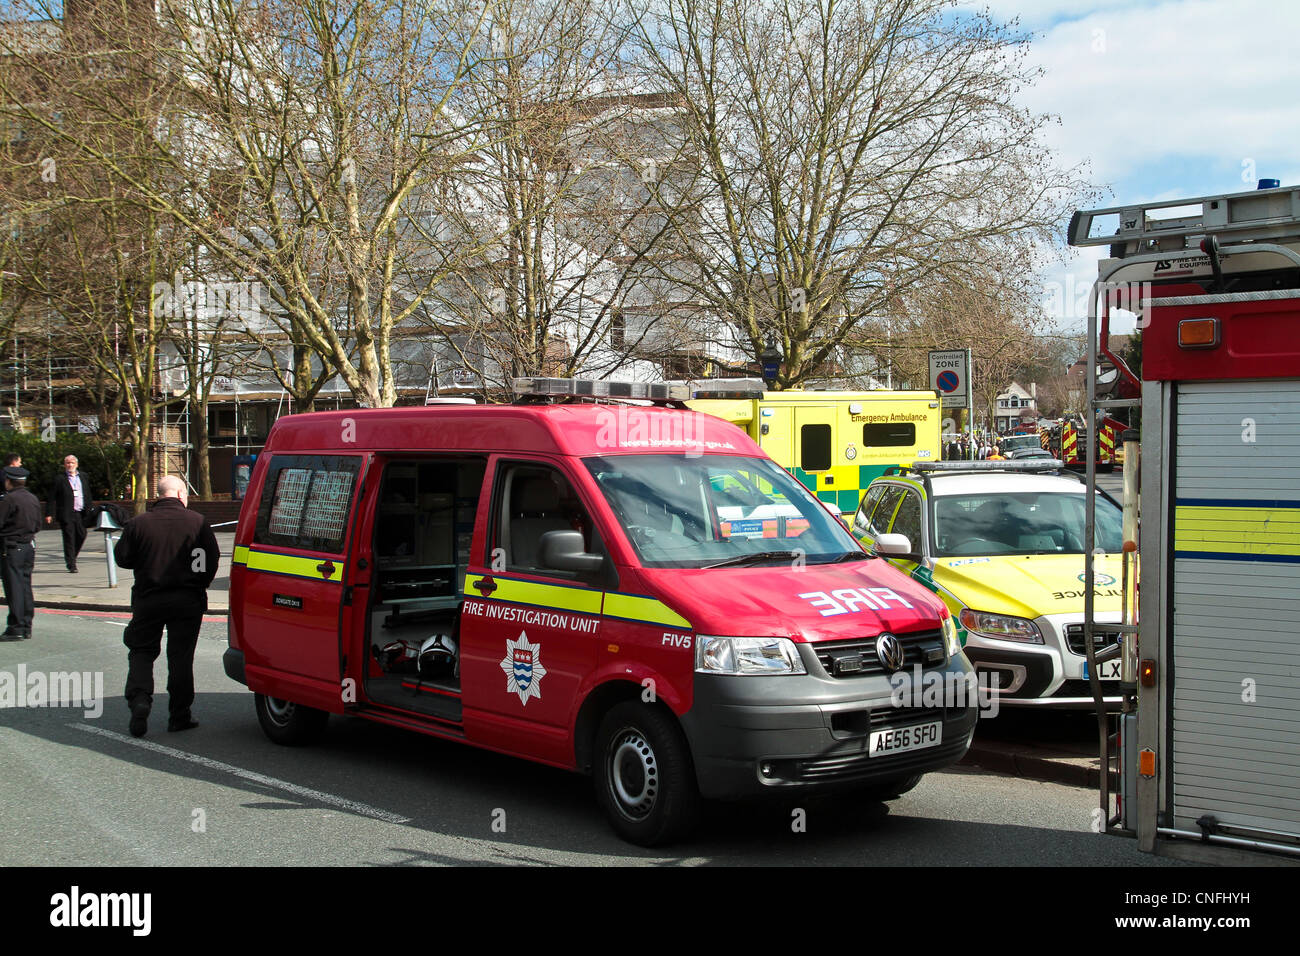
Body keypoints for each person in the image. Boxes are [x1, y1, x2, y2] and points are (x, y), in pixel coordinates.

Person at [114, 475, 220, 737]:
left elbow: (123, 559)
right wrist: (198, 583)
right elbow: (210, 560)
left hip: (148, 598)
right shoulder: (198, 523)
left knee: (141, 651)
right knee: (181, 658)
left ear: (158, 495)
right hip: (187, 600)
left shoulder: (138, 523)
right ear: (182, 493)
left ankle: (140, 699)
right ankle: (179, 716)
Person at [0, 466, 41, 640]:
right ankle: (26, 625)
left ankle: (15, 626)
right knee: (25, 585)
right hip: (28, 546)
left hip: (12, 547)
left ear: (8, 481)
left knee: (14, 586)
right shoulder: (33, 499)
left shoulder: (9, 500)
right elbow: (38, 525)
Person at [46, 454, 93, 572]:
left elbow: (87, 494)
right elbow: (51, 497)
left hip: (81, 512)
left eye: (72, 463)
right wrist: (49, 513)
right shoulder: (59, 479)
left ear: (76, 464)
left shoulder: (83, 476)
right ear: (64, 465)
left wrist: (90, 509)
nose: (70, 465)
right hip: (67, 513)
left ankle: (72, 556)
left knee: (82, 535)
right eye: (67, 463)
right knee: (69, 538)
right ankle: (71, 564)